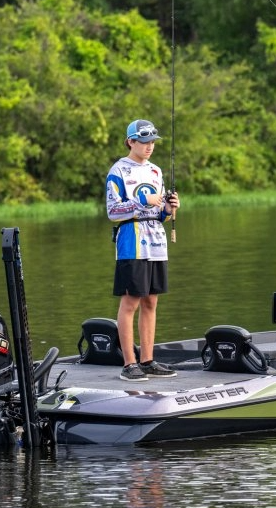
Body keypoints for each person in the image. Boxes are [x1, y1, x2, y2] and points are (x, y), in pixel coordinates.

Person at [105, 119, 181, 381]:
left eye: (152, 142)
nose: (149, 147)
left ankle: (147, 360)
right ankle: (129, 364)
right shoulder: (118, 171)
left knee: (151, 300)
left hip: (157, 241)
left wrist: (169, 209)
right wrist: (141, 200)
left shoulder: (156, 172)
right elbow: (113, 211)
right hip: (131, 241)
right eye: (144, 142)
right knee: (131, 301)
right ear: (131, 142)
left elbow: (159, 213)